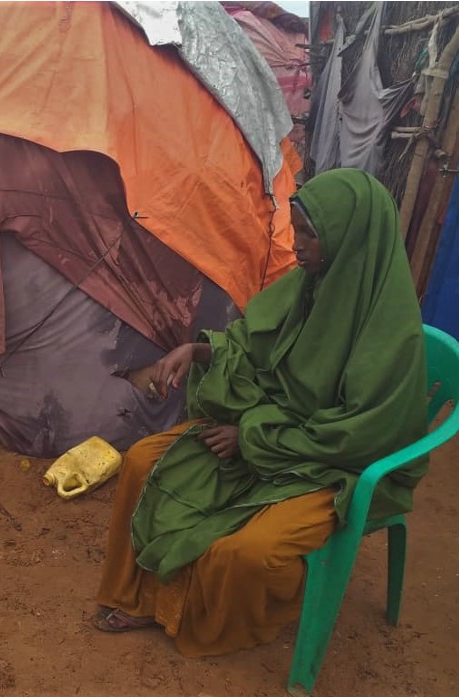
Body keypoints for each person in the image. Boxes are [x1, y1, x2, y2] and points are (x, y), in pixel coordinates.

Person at [93, 168, 428, 656]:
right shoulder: (307, 287)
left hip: (330, 466)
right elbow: (252, 345)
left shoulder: (394, 341)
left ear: (350, 240)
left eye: (311, 234)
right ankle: (139, 594)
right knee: (145, 461)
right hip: (266, 430)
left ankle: (200, 620)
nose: (297, 245)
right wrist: (199, 351)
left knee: (246, 551)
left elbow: (358, 435)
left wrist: (251, 436)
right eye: (297, 229)